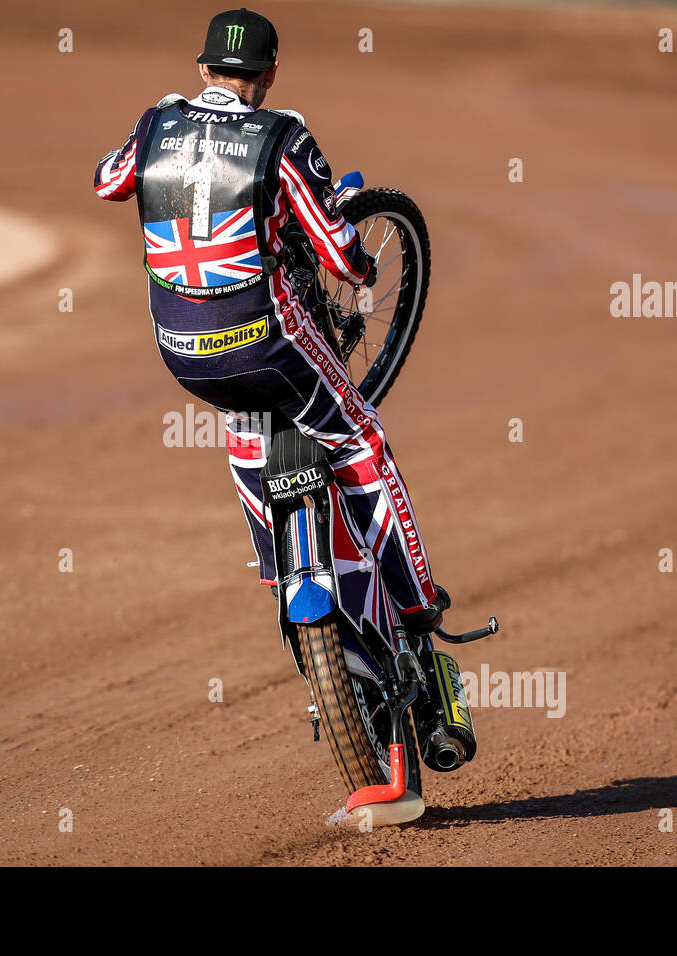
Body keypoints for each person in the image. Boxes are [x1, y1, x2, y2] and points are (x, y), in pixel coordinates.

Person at [93, 7, 450, 637]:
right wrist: (366, 268)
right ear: (271, 73)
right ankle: (419, 600)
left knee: (246, 421)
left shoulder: (157, 123)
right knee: (358, 437)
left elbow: (108, 182)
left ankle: (278, 567)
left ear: (203, 67)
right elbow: (344, 259)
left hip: (179, 348)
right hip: (267, 340)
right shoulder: (282, 136)